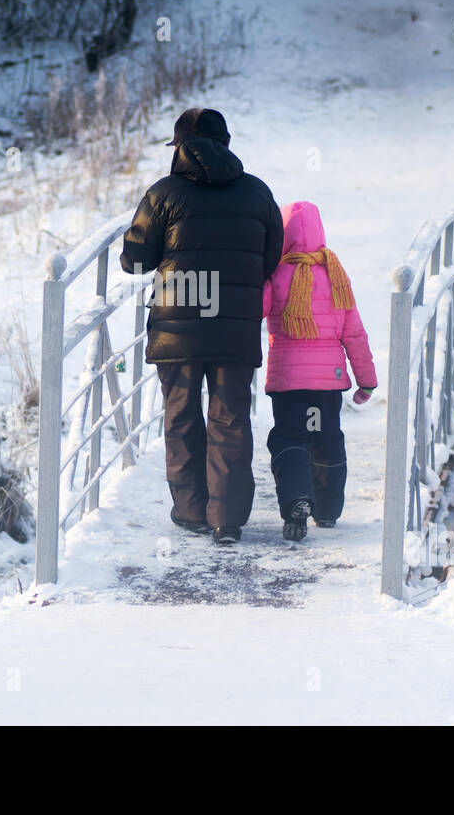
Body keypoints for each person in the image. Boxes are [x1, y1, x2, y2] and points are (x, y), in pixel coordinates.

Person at [121, 108, 283, 545]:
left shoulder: (163, 193)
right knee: (230, 419)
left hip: (178, 325)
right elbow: (270, 260)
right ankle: (226, 519)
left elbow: (135, 259)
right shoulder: (258, 193)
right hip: (235, 326)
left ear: (181, 150)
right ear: (226, 143)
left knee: (181, 417)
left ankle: (191, 511)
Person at [262, 200, 377, 541]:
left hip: (288, 382)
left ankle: (298, 497)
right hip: (328, 383)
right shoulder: (336, 275)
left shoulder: (276, 273)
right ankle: (326, 510)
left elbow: (254, 311)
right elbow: (354, 333)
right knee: (326, 437)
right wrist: (366, 381)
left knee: (291, 438)